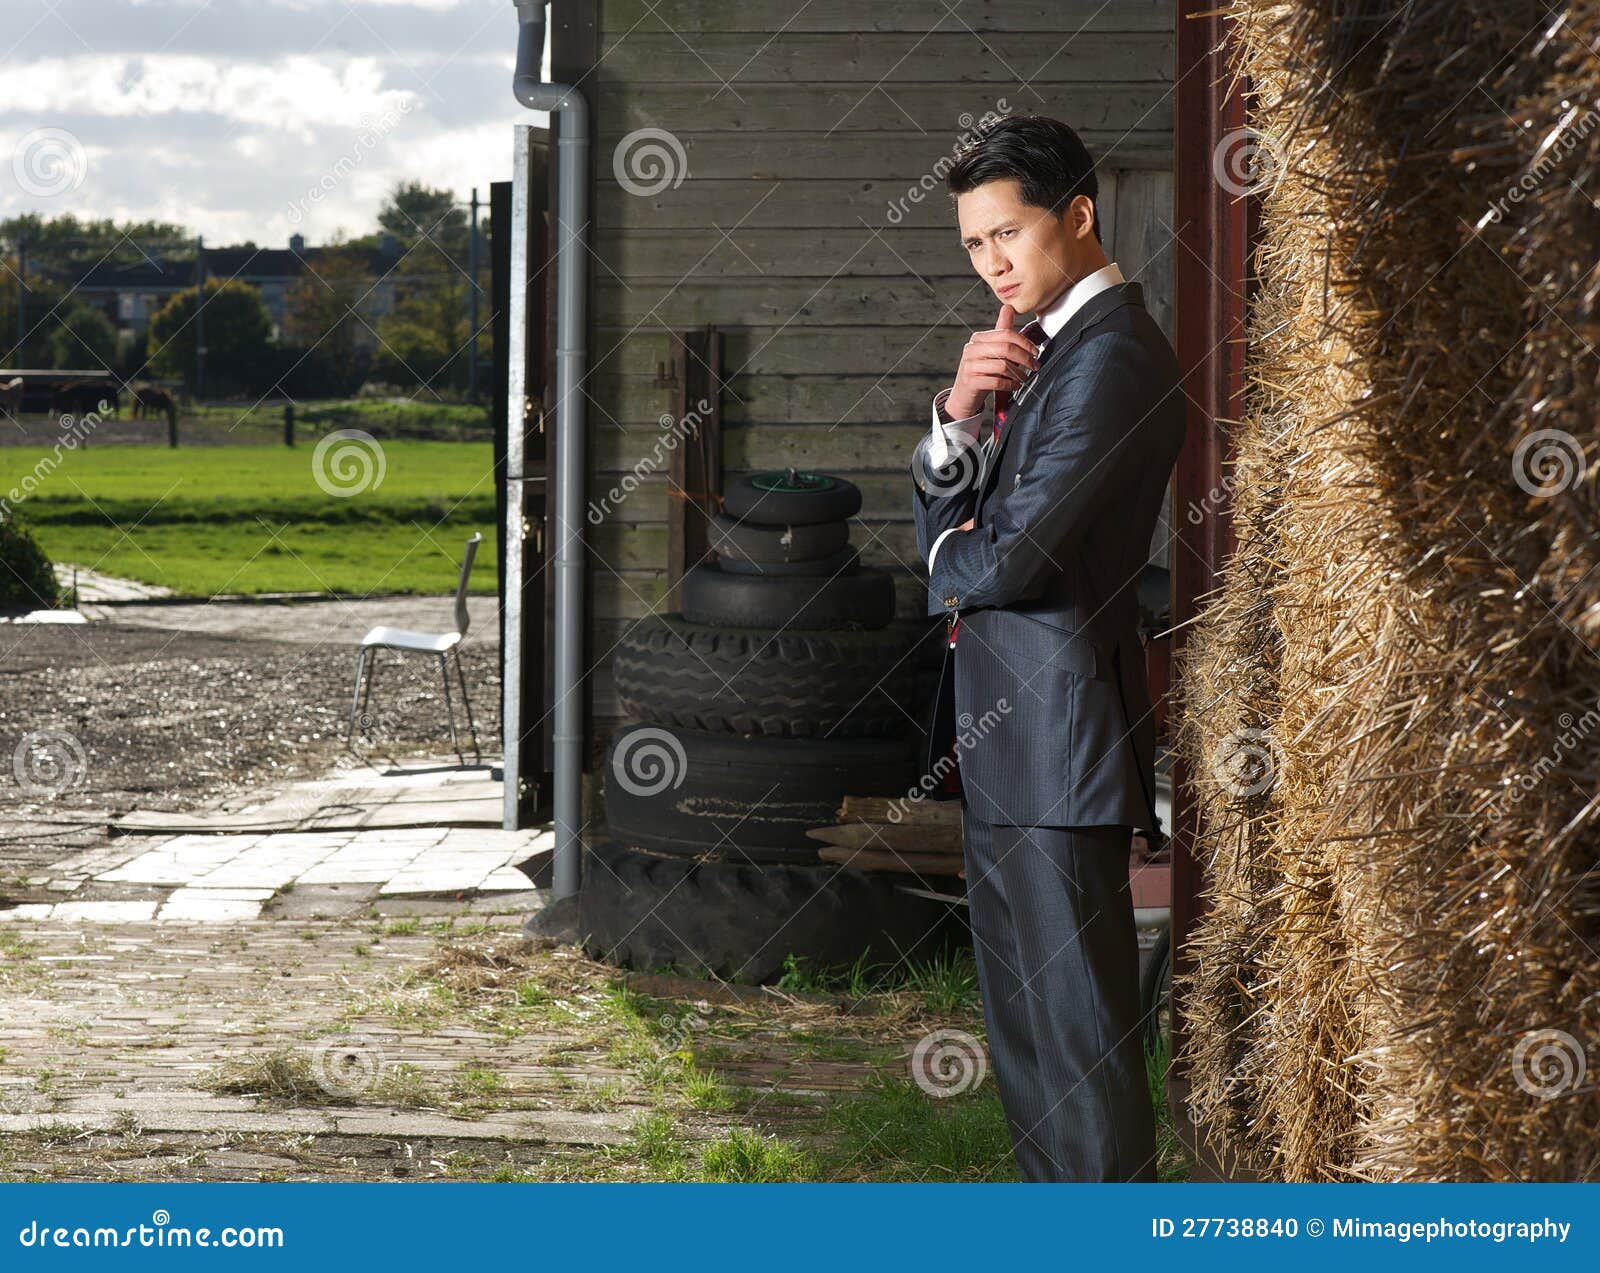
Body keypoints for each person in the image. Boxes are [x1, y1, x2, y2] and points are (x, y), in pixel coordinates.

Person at [909, 114, 1185, 1182]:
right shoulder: (1046, 352)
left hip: (1059, 744)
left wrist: (951, 554)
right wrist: (958, 417)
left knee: (1080, 1048)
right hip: (1013, 742)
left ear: (1076, 214)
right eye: (974, 245)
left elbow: (1008, 559)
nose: (993, 263)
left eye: (1008, 234)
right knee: (1026, 1041)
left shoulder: (1110, 356)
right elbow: (979, 530)